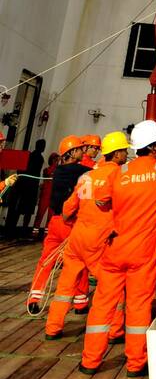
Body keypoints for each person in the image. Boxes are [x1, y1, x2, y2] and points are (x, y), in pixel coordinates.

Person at [80, 120, 156, 378]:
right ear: (154, 146)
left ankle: (90, 361)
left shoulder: (118, 172)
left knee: (101, 305)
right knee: (139, 306)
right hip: (143, 252)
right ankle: (135, 364)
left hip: (116, 248)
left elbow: (101, 201)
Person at [44, 131, 130, 341]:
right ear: (117, 154)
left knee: (64, 286)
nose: (126, 154)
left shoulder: (87, 176)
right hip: (98, 241)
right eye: (125, 151)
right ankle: (115, 330)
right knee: (113, 286)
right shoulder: (119, 175)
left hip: (77, 238)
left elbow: (67, 209)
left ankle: (52, 328)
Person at [26, 137, 90, 315]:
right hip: (71, 223)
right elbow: (90, 173)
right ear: (71, 153)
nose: (82, 152)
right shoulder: (81, 171)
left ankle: (34, 298)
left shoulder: (59, 170)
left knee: (46, 261)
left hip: (55, 222)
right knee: (79, 262)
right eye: (79, 149)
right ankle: (80, 302)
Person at [5, 138, 46, 233]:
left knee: (21, 208)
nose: (43, 147)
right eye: (42, 145)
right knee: (24, 208)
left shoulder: (31, 156)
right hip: (29, 186)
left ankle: (14, 228)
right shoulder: (37, 157)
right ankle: (20, 229)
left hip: (25, 184)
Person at [33, 152, 59, 234]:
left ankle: (46, 234)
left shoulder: (59, 171)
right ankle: (35, 232)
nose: (57, 161)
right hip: (45, 195)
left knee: (50, 217)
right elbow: (48, 173)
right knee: (40, 214)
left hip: (53, 196)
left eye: (57, 160)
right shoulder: (47, 170)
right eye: (55, 160)